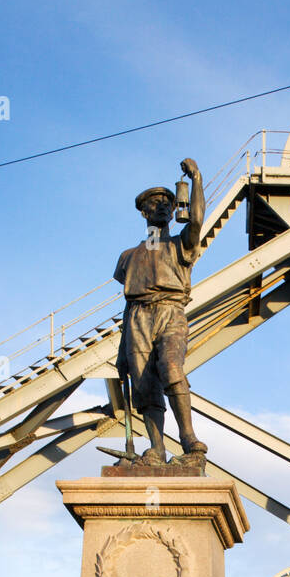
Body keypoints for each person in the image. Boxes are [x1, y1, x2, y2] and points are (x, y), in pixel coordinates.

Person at [114, 158, 206, 463]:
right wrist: (120, 349)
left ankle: (189, 440)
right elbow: (127, 305)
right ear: (144, 211)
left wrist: (196, 181)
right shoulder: (129, 257)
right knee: (144, 385)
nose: (164, 206)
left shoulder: (181, 245)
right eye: (156, 203)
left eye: (168, 202)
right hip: (137, 318)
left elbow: (196, 222)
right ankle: (156, 448)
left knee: (170, 367)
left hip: (170, 311)